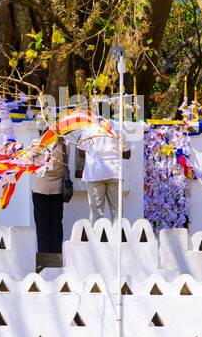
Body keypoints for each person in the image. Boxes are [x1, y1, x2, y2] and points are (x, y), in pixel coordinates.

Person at [30, 120, 69, 270]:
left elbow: (32, 162)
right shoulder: (63, 144)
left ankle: (44, 257)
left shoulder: (36, 144)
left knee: (42, 225)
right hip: (57, 189)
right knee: (56, 224)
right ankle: (57, 256)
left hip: (39, 189)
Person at [77, 114, 129, 223]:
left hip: (94, 173)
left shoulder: (88, 129)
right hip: (115, 172)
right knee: (117, 213)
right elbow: (127, 154)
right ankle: (117, 238)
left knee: (96, 214)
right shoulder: (119, 127)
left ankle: (96, 238)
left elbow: (81, 153)